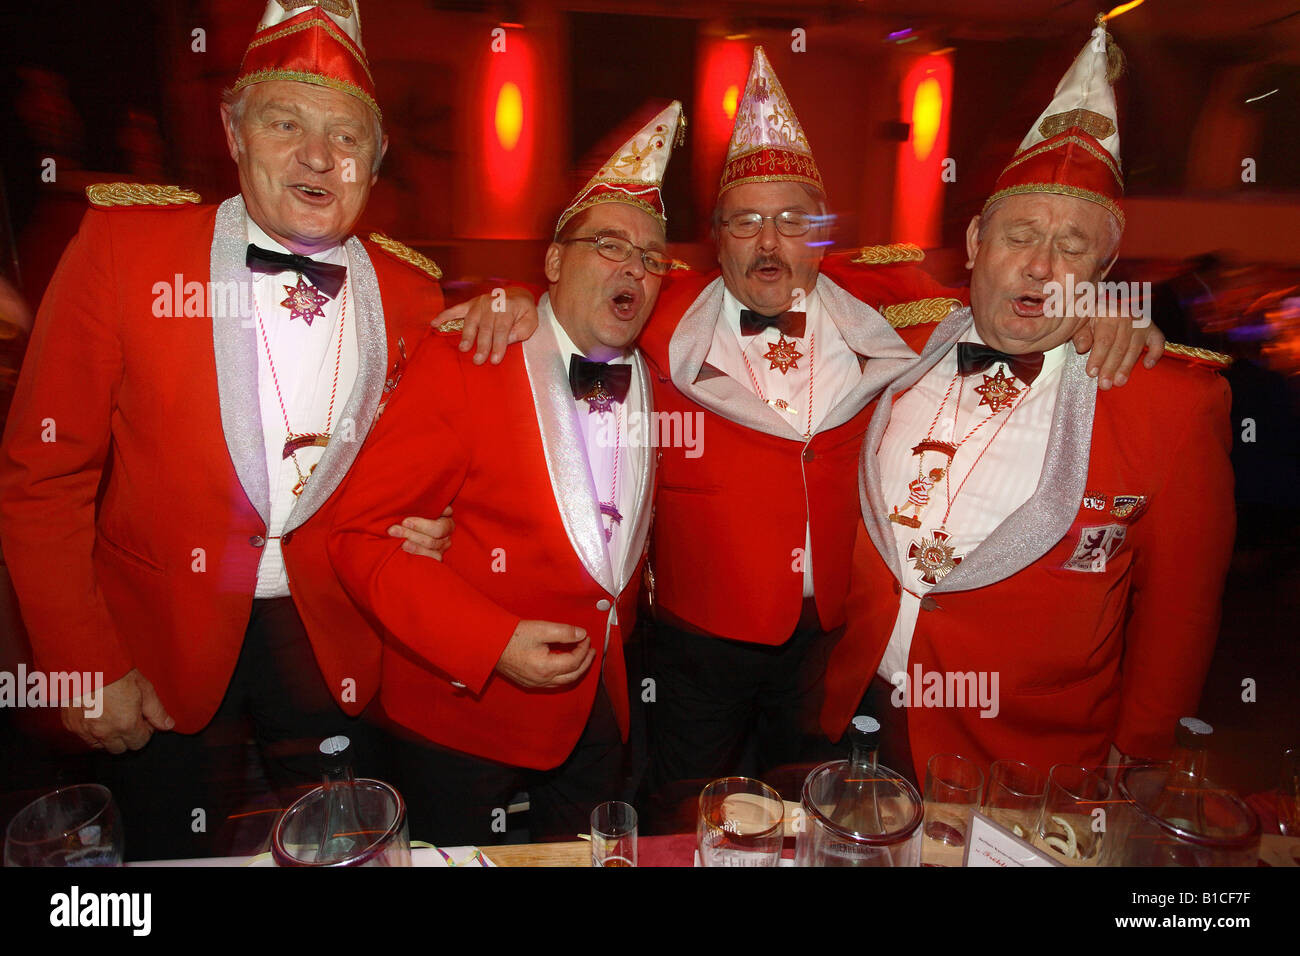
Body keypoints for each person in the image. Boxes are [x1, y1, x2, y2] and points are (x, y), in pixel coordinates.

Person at [0, 0, 524, 860]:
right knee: (166, 854)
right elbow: (38, 478)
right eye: (286, 123)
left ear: (376, 160)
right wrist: (82, 665)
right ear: (232, 132)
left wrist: (443, 522)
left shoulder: (414, 294)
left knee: (348, 845)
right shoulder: (123, 251)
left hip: (334, 634)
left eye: (346, 136)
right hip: (155, 638)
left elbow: (443, 460)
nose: (319, 156)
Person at [633, 46, 1165, 822]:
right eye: (746, 221)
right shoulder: (663, 312)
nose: (770, 242)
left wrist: (1122, 311)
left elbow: (1007, 290)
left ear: (822, 235)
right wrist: (507, 306)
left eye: (793, 221)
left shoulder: (894, 310)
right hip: (696, 638)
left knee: (806, 804)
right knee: (686, 805)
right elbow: (583, 298)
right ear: (712, 236)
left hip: (832, 642)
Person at [820, 21, 1234, 784]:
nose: (1041, 265)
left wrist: (1140, 752)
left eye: (1073, 248)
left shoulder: (1172, 403)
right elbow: (788, 275)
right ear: (976, 241)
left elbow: (1181, 610)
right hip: (855, 709)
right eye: (1019, 234)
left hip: (1024, 753)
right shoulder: (901, 338)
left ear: (1105, 271)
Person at [328, 103, 684, 844]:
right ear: (553, 262)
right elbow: (362, 538)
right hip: (464, 713)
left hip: (600, 705)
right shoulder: (468, 362)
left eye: (652, 257)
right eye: (608, 245)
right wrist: (491, 643)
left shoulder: (663, 376)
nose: (633, 268)